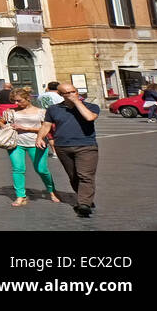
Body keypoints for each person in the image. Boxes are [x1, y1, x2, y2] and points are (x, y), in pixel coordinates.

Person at [39, 83, 100, 217]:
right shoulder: (53, 109)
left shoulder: (91, 106)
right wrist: (40, 137)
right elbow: (46, 125)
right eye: (68, 93)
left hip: (86, 146)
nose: (72, 94)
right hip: (63, 147)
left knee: (85, 175)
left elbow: (89, 117)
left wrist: (77, 102)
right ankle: (85, 198)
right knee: (73, 176)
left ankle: (84, 204)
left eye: (74, 91)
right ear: (61, 95)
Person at [0, 87, 59, 207]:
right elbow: (0, 121)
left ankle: (52, 191)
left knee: (41, 169)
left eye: (19, 100)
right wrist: (4, 126)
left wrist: (26, 128)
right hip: (16, 143)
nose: (16, 103)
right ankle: (20, 196)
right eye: (14, 101)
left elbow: (46, 129)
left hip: (37, 143)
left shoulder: (41, 112)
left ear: (28, 98)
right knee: (18, 169)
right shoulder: (11, 111)